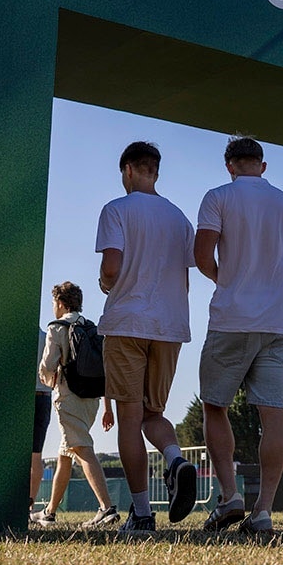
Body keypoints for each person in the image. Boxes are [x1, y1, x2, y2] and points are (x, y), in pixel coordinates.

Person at [194, 136, 283, 534]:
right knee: (273, 413)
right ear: (263, 165)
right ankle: (263, 511)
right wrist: (271, 280)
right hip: (279, 320)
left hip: (231, 317)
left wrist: (225, 279)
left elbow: (201, 255)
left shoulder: (217, 197)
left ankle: (230, 497)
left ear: (229, 165)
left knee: (214, 405)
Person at [95, 141, 199, 533]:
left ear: (127, 171)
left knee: (129, 419)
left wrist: (107, 286)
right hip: (170, 328)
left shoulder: (116, 210)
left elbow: (110, 268)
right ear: (155, 171)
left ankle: (140, 514)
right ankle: (175, 459)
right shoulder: (178, 218)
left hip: (126, 324)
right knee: (153, 415)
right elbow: (185, 278)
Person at [32, 282, 119, 527]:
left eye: (53, 302)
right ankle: (49, 512)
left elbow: (48, 365)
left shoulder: (57, 328)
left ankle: (106, 508)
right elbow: (104, 368)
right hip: (91, 398)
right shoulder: (90, 327)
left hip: (68, 397)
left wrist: (47, 380)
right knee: (65, 455)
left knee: (81, 448)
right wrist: (107, 407)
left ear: (60, 302)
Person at [30, 328, 51, 515]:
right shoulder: (46, 337)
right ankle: (30, 504)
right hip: (44, 396)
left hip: (23, 398)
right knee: (36, 454)